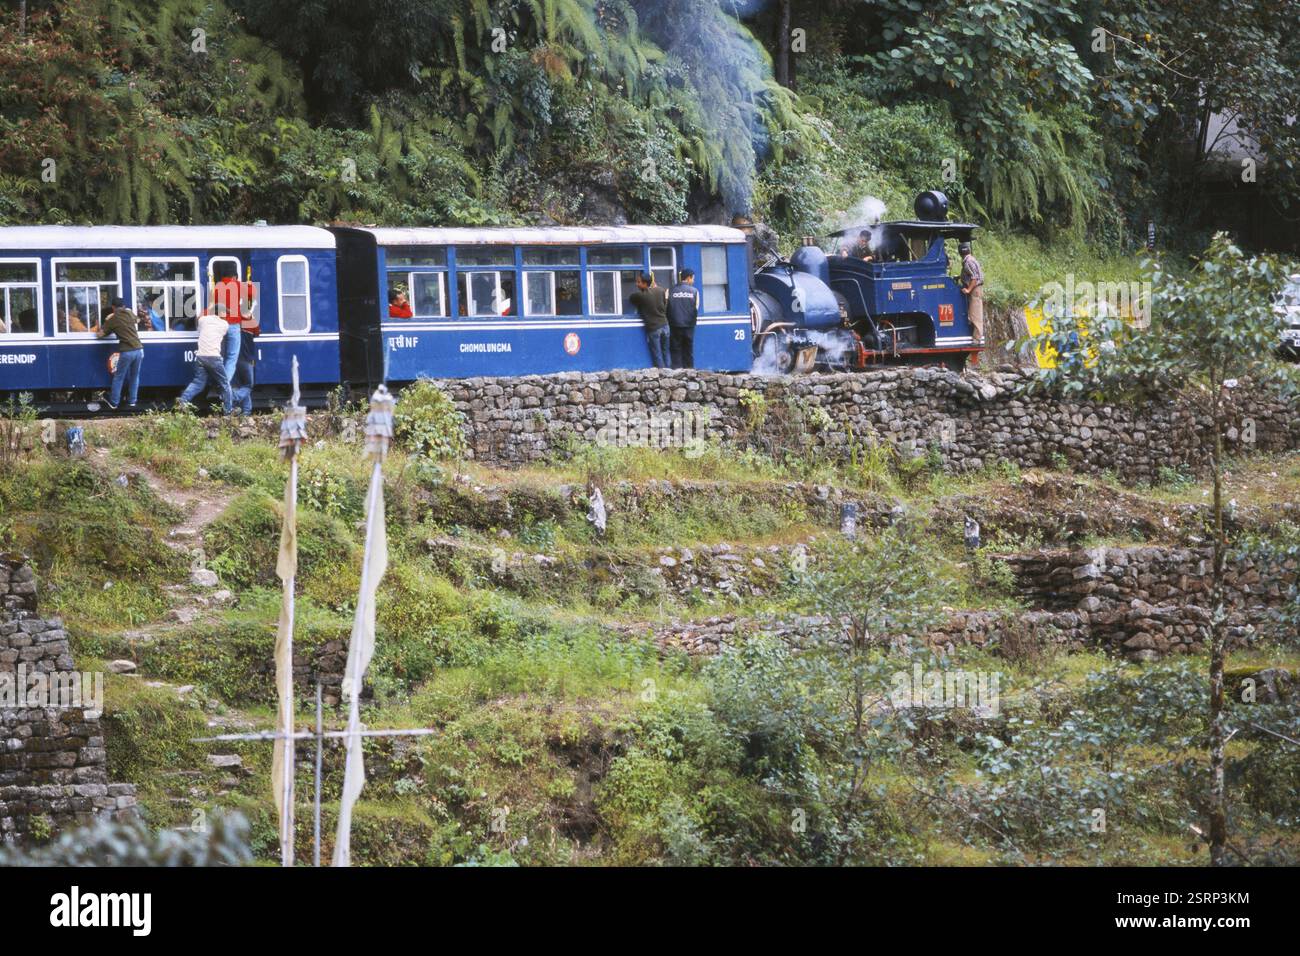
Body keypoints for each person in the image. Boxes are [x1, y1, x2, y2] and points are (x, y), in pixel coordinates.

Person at [178, 308, 235, 415]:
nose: (227, 316)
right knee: (225, 384)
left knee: (197, 383)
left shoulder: (203, 320)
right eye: (226, 313)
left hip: (200, 357)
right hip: (214, 358)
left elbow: (199, 317)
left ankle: (182, 401)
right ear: (221, 313)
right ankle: (228, 411)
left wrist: (209, 308)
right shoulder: (224, 325)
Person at [96, 296, 144, 410]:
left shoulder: (112, 320)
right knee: (134, 376)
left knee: (119, 377)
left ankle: (114, 402)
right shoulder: (129, 313)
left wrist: (101, 324)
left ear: (113, 307)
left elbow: (100, 335)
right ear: (123, 306)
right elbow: (138, 320)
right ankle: (132, 402)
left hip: (127, 351)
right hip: (139, 350)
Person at [211, 263, 253, 384]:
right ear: (235, 276)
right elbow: (251, 295)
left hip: (220, 325)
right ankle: (224, 386)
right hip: (234, 325)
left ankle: (219, 381)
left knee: (221, 356)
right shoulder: (238, 285)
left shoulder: (218, 286)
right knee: (232, 358)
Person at [629, 272, 669, 369]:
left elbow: (631, 298)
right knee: (665, 351)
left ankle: (662, 374)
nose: (637, 284)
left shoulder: (640, 296)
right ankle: (669, 372)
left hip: (654, 328)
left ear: (645, 284)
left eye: (639, 282)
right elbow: (664, 302)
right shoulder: (660, 290)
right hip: (665, 325)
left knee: (657, 353)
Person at [667, 268, 700, 369]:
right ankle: (689, 370)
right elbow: (696, 308)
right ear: (689, 278)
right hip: (689, 325)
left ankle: (676, 370)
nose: (693, 281)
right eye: (693, 278)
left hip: (674, 325)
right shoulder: (694, 291)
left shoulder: (670, 290)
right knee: (688, 349)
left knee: (675, 348)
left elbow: (666, 306)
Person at [958, 241, 984, 344]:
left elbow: (974, 277)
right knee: (973, 313)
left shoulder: (968, 262)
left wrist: (968, 289)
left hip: (975, 289)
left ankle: (977, 339)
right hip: (975, 289)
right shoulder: (970, 260)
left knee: (975, 314)